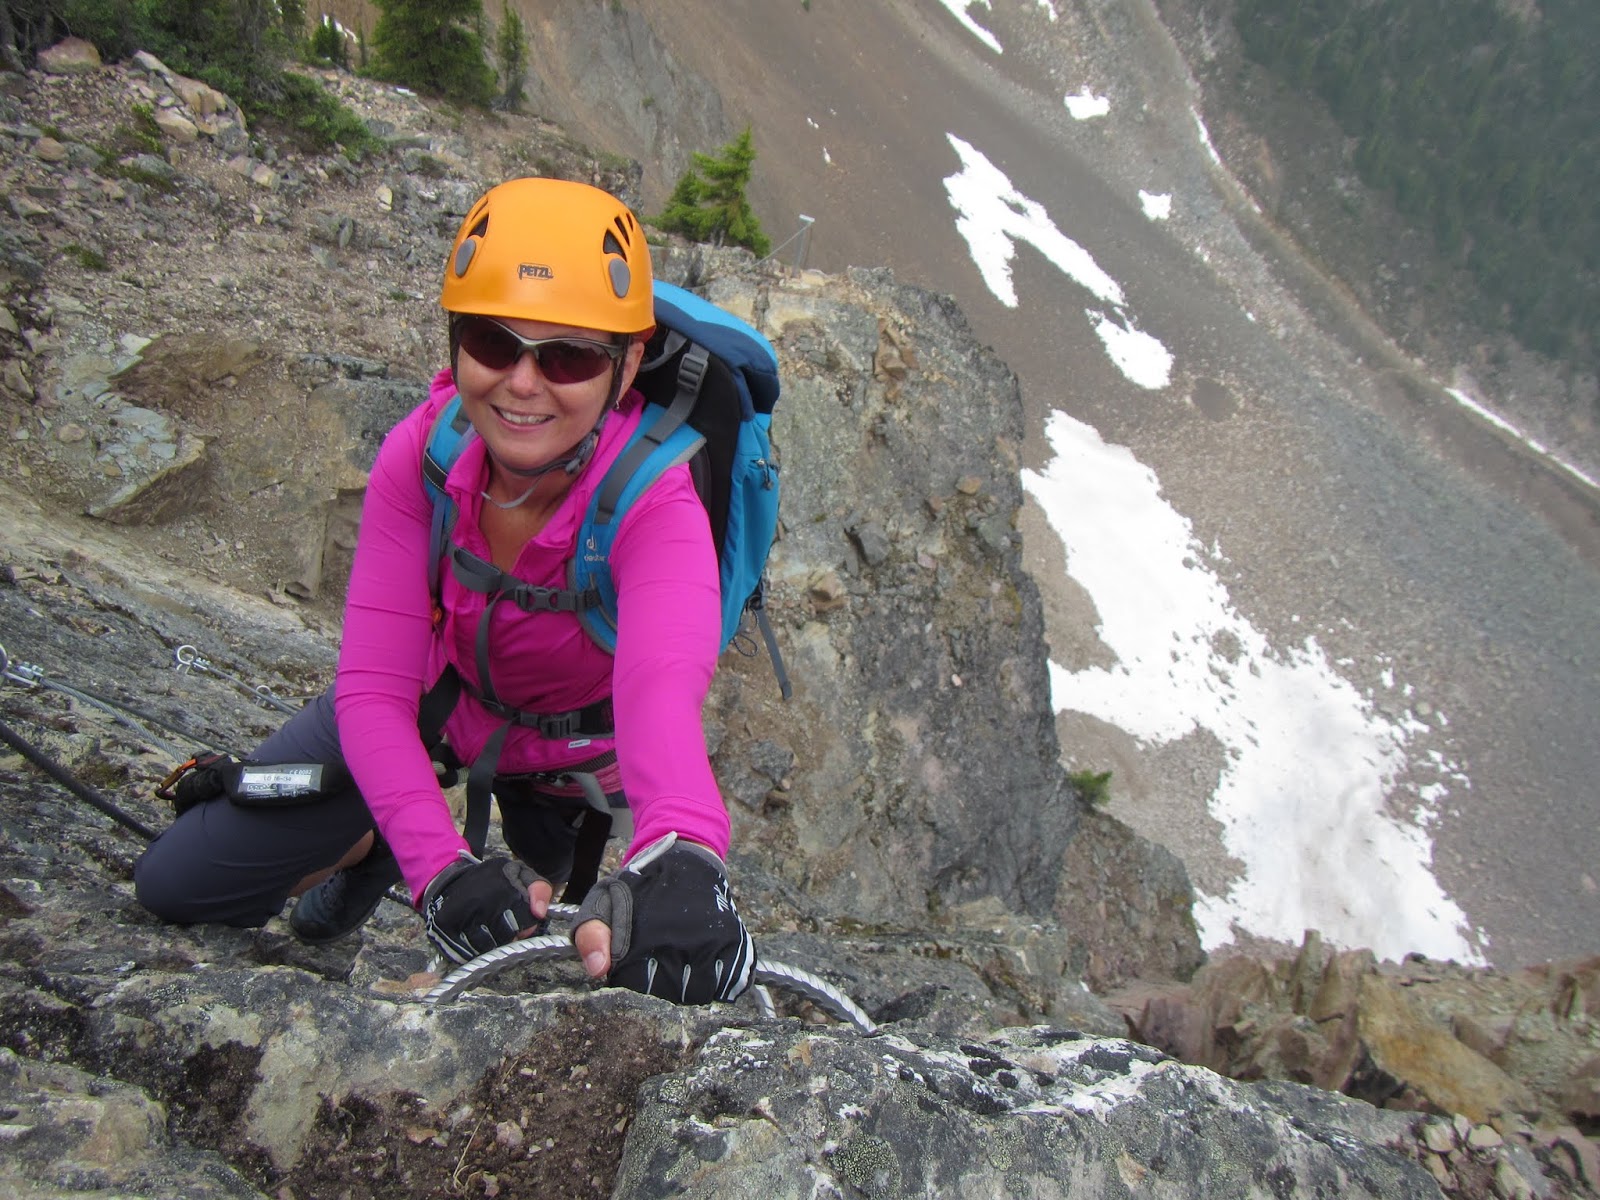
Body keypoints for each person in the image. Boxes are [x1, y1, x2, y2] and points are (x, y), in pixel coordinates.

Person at [135, 177, 754, 1005]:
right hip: (436, 706)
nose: (523, 384)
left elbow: (661, 689)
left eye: (568, 355)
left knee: (527, 971)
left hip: (571, 761)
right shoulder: (423, 454)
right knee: (178, 884)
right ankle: (374, 844)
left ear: (628, 363)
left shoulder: (654, 502)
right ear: (455, 341)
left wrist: (686, 850)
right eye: (493, 345)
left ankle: (402, 839)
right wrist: (437, 872)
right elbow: (371, 688)